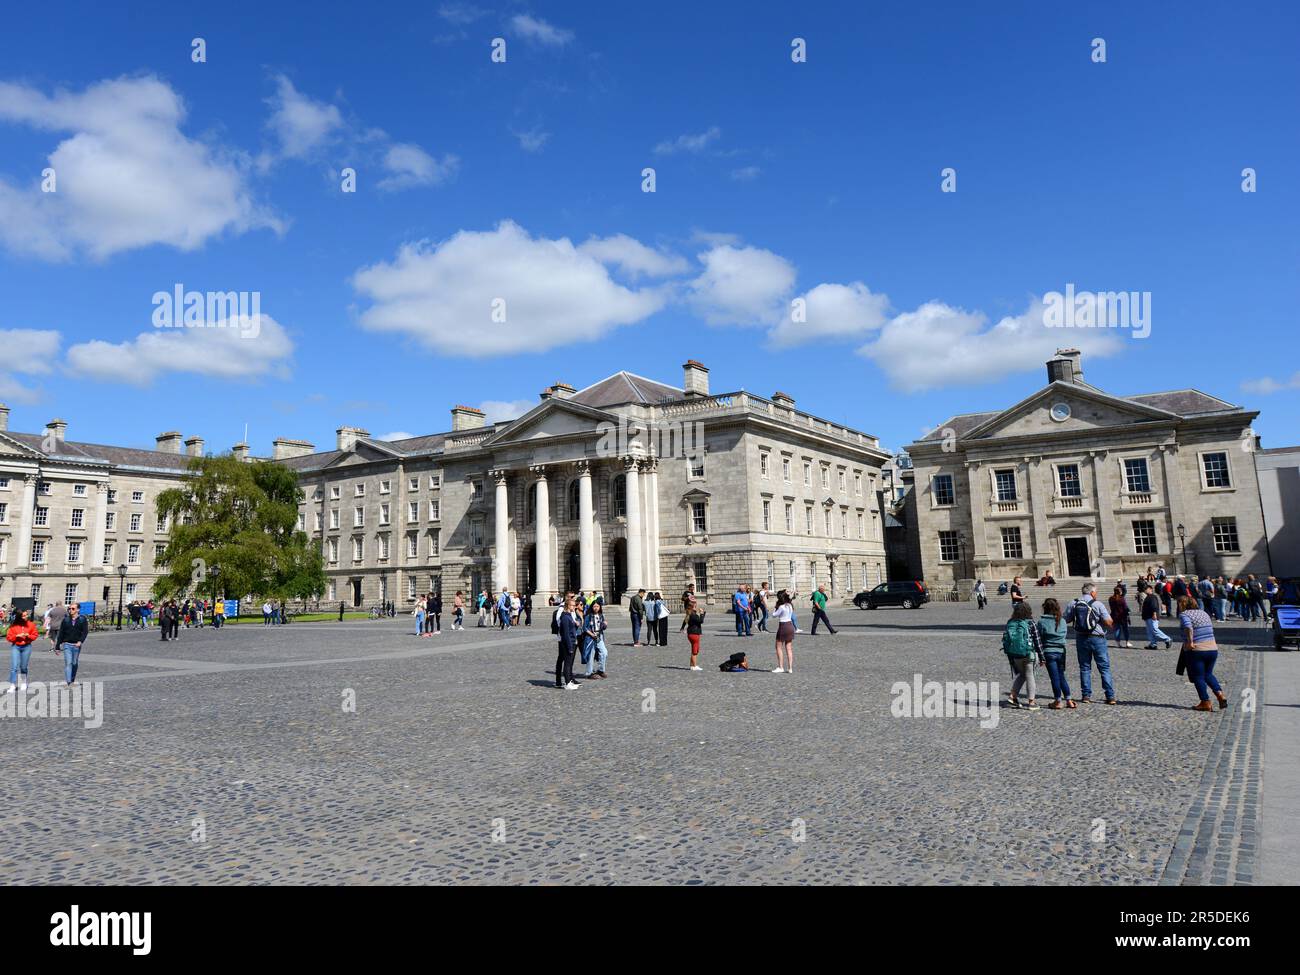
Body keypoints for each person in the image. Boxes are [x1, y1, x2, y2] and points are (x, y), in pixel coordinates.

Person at [1175, 595, 1226, 711]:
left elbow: (1188, 627)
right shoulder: (1203, 613)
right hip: (1212, 648)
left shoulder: (1185, 614)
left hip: (1197, 649)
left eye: (1179, 604)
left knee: (1198, 676)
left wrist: (1190, 642)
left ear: (1183, 604)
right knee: (1208, 674)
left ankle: (1205, 702)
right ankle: (1220, 694)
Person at [1070, 583, 1117, 705]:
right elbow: (1108, 621)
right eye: (1095, 592)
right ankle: (1110, 696)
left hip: (1081, 638)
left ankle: (1086, 696)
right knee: (1104, 667)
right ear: (1092, 593)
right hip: (1097, 638)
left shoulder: (1073, 603)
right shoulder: (1098, 604)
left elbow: (1066, 619)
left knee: (1085, 667)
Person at [1002, 601, 1043, 710]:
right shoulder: (1031, 623)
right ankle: (1032, 702)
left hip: (1015, 654)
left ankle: (1012, 696)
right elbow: (1038, 642)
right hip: (1029, 653)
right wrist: (1042, 657)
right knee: (1030, 675)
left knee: (1022, 674)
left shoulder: (1010, 622)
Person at [1038, 598, 1074, 709]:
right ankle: (1069, 699)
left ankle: (1058, 701)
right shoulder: (1062, 621)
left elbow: (1039, 638)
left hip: (1049, 652)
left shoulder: (1042, 622)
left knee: (1054, 677)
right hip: (1061, 652)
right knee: (1061, 676)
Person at [5, 610, 39, 694]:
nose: (25, 617)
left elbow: (35, 635)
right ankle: (12, 685)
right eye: (23, 616)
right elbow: (9, 637)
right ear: (19, 616)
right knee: (14, 666)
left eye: (26, 615)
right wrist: (16, 636)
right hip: (16, 646)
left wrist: (29, 636)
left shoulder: (31, 624)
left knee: (23, 667)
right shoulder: (13, 626)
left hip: (27, 646)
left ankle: (23, 682)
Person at [56, 602, 89, 686]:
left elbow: (85, 632)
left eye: (73, 609)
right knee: (68, 663)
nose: (70, 610)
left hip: (76, 645)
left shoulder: (82, 619)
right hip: (67, 644)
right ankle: (69, 682)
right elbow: (61, 633)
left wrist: (80, 641)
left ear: (78, 609)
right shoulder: (66, 620)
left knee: (74, 663)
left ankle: (72, 679)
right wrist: (57, 646)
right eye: (69, 609)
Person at [555, 596, 581, 690]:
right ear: (567, 606)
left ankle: (569, 681)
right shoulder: (565, 617)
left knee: (569, 663)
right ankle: (567, 683)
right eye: (573, 605)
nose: (575, 607)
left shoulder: (569, 615)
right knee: (567, 663)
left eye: (575, 605)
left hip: (571, 641)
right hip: (567, 642)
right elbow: (565, 634)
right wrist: (570, 646)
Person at [1140, 584, 1173, 649]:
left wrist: (1154, 614)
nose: (1145, 591)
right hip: (1148, 616)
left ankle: (1167, 639)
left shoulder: (1152, 597)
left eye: (1146, 589)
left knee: (1154, 629)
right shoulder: (1148, 597)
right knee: (1150, 631)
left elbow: (1154, 606)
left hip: (1152, 616)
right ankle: (1153, 644)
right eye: (1144, 590)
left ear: (1150, 589)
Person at [582, 601, 609, 679]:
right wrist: (591, 634)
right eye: (594, 606)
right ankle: (589, 672)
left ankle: (601, 670)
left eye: (597, 606)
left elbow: (602, 628)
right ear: (592, 607)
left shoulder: (601, 615)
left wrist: (605, 625)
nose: (596, 608)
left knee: (604, 652)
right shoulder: (588, 616)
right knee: (591, 654)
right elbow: (585, 628)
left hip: (599, 636)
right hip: (590, 638)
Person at [772, 589, 796, 673]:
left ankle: (780, 667)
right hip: (790, 625)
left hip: (783, 626)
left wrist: (775, 607)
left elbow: (774, 615)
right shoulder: (790, 605)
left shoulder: (781, 607)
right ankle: (790, 668)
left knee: (778, 647)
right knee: (789, 648)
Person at [681, 604, 706, 671]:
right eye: (695, 607)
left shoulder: (689, 615)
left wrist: (682, 628)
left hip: (691, 634)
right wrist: (702, 614)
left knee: (694, 650)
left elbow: (684, 621)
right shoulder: (693, 615)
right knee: (695, 651)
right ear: (692, 608)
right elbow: (701, 621)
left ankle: (691, 665)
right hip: (694, 634)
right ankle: (694, 666)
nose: (696, 607)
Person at [1108, 584, 1133, 648]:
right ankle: (1127, 642)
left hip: (1114, 616)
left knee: (1117, 630)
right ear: (1120, 592)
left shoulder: (1110, 599)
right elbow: (1125, 608)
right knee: (1125, 629)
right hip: (1122, 616)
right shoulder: (1122, 599)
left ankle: (1118, 643)